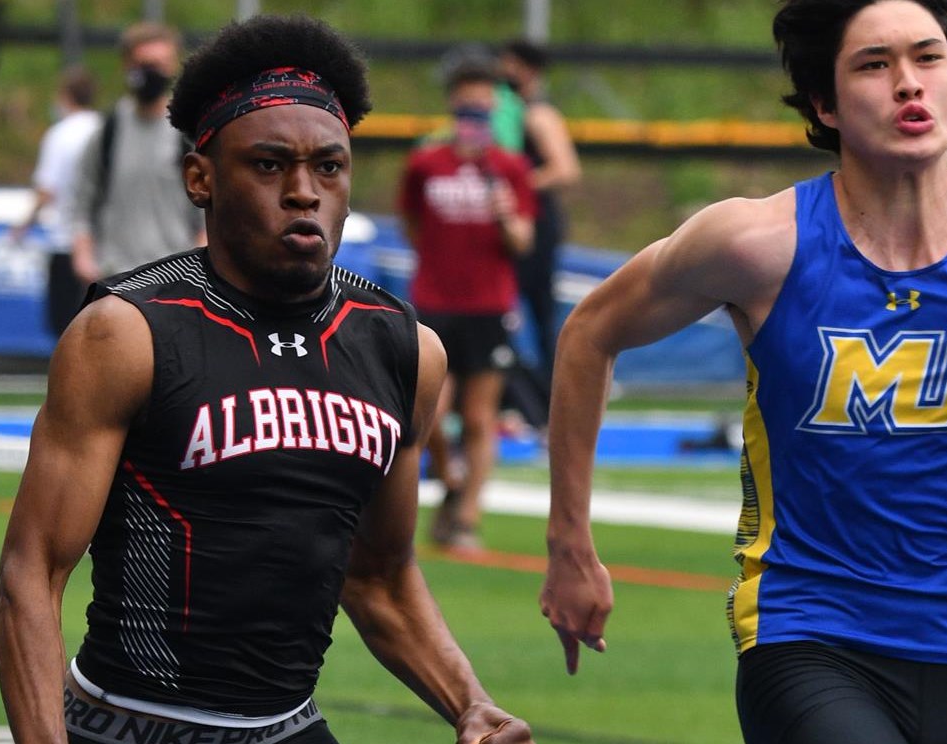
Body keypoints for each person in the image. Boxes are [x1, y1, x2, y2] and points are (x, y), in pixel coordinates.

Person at [0, 14, 535, 744]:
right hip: (128, 726)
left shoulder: (403, 349)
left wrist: (468, 702)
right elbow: (31, 576)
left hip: (287, 728)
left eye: (329, 167)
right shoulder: (126, 333)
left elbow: (378, 577)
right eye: (270, 165)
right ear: (201, 179)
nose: (304, 191)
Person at [540, 1, 947, 742]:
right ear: (823, 103)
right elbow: (589, 332)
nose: (908, 84)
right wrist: (569, 544)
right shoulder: (756, 244)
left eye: (928, 57)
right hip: (815, 636)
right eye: (873, 64)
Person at [397, 56, 537, 550]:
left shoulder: (511, 168)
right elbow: (412, 223)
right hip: (435, 300)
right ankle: (451, 484)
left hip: (489, 304)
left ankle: (467, 516)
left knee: (480, 417)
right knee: (431, 412)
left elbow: (523, 241)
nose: (475, 113)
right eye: (467, 104)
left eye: (484, 104)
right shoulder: (426, 163)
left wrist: (504, 216)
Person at [69, 22, 205, 284]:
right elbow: (83, 201)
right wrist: (83, 257)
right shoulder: (108, 131)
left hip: (175, 282)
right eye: (145, 64)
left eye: (160, 64)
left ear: (175, 66)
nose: (152, 73)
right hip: (114, 279)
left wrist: (198, 271)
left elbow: (207, 213)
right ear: (127, 66)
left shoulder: (189, 134)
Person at [498, 39, 581, 403]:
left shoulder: (538, 114)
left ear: (528, 70)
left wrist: (518, 184)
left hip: (537, 225)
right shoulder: (505, 112)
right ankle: (512, 394)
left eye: (510, 64)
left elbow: (565, 169)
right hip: (510, 222)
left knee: (540, 312)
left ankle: (551, 397)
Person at [10, 66, 103, 335]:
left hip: (66, 240)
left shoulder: (61, 134)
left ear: (65, 96)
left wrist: (24, 224)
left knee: (63, 324)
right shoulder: (104, 129)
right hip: (101, 244)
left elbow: (47, 189)